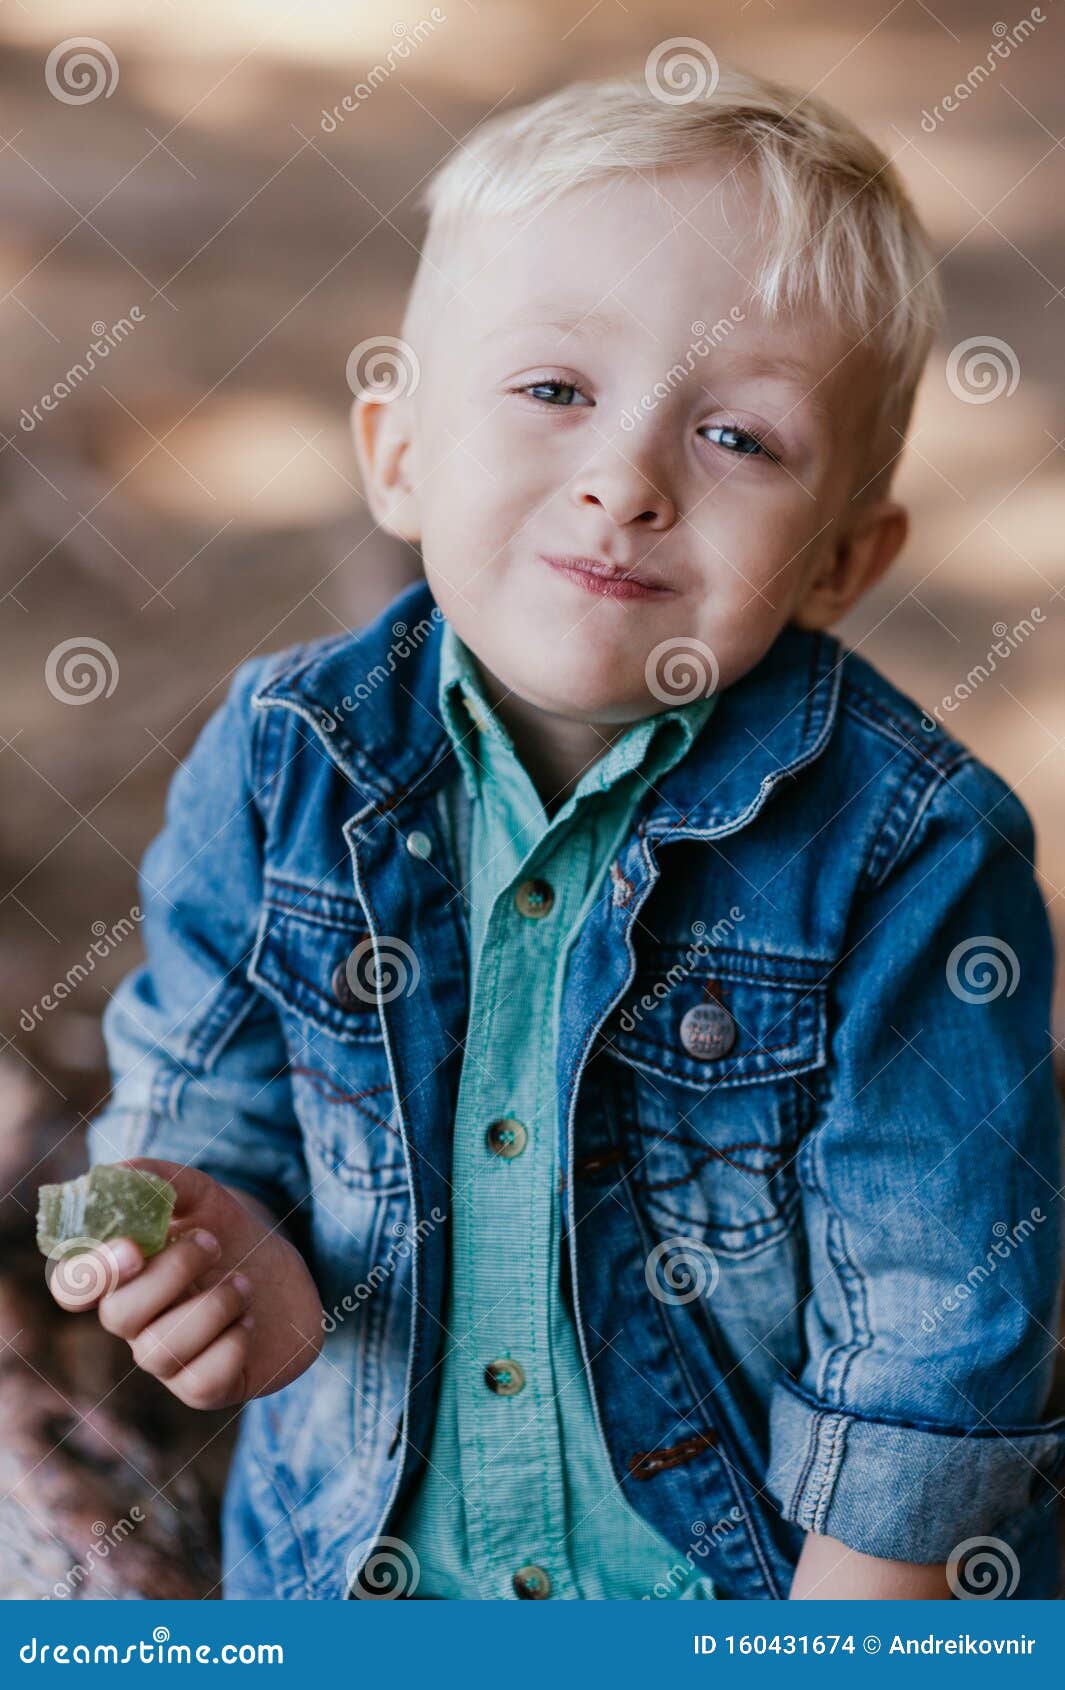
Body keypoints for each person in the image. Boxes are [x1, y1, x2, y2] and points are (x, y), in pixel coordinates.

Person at [49, 66, 1065, 1600]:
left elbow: (928, 1340)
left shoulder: (910, 848)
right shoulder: (279, 761)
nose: (625, 481)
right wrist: (217, 1256)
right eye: (552, 391)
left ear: (841, 560)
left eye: (738, 437)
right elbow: (203, 1112)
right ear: (397, 450)